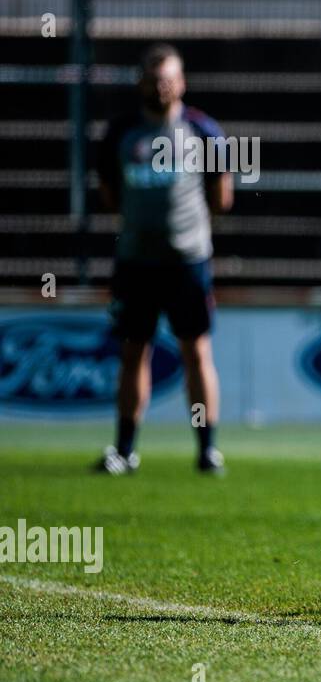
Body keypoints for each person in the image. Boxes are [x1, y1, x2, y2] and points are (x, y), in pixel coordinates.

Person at [96, 43, 232, 476]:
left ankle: (207, 449)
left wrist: (186, 232)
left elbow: (221, 196)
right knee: (134, 352)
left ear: (183, 82)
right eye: (154, 79)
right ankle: (125, 450)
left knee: (196, 351)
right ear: (141, 82)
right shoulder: (120, 133)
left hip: (188, 262)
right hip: (136, 262)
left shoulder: (204, 131)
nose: (162, 86)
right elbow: (110, 193)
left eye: (169, 78)